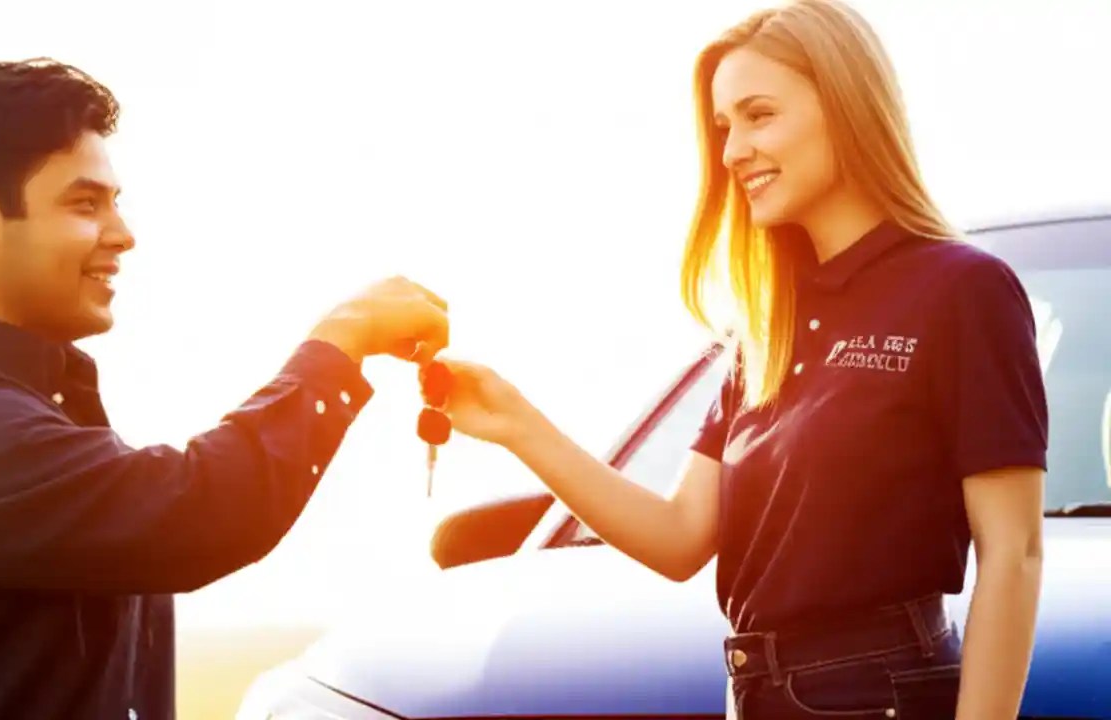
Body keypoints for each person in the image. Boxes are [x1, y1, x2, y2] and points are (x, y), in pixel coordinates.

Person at [432, 1, 1046, 718]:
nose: (730, 153)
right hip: (754, 694)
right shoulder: (765, 327)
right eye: (725, 127)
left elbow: (1014, 554)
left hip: (880, 695)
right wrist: (515, 424)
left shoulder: (963, 290)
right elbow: (680, 538)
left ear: (848, 106)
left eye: (759, 116)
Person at [0, 59, 447, 718]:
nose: (122, 235)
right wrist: (341, 342)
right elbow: (192, 512)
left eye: (114, 203)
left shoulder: (30, 410)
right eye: (84, 203)